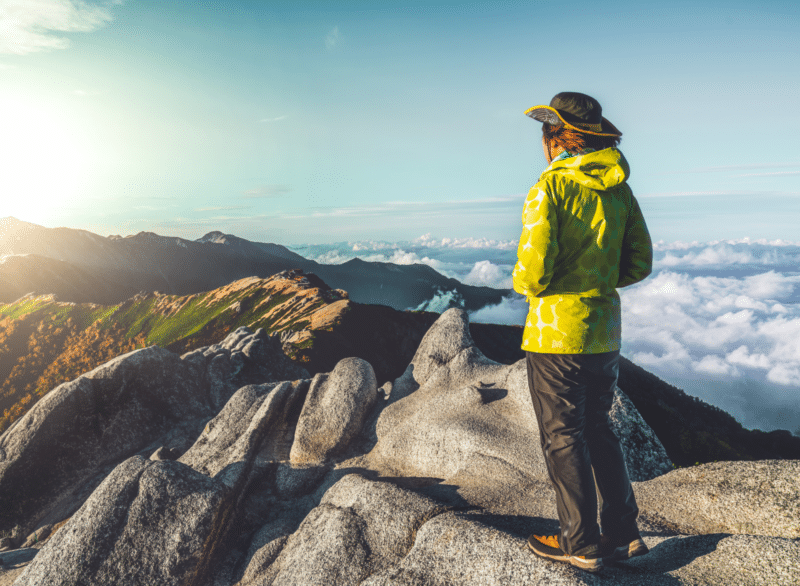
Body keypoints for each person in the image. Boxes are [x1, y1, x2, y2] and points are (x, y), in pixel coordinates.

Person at [513, 92, 653, 573]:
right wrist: (596, 283)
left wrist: (545, 288)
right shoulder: (620, 190)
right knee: (599, 428)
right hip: (604, 332)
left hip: (556, 335)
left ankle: (579, 541)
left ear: (556, 138)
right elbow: (639, 263)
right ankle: (623, 533)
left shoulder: (549, 188)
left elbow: (532, 272)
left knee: (563, 436)